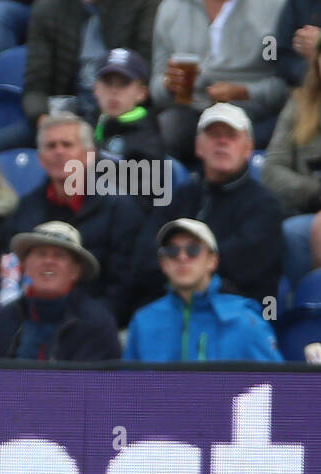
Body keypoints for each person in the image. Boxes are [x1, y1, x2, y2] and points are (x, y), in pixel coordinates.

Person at [14, 0, 163, 149]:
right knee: (2, 142)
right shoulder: (46, 6)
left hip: (124, 112)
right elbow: (35, 87)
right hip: (66, 115)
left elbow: (145, 69)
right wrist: (46, 123)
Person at [149, 0, 289, 161]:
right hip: (193, 111)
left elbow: (287, 85)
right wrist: (169, 85)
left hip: (254, 111)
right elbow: (155, 89)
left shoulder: (278, 2)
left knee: (280, 131)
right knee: (165, 128)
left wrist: (241, 91)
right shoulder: (171, 6)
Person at [133, 103, 285, 310]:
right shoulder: (180, 197)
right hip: (170, 309)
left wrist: (176, 265)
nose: (222, 141)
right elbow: (144, 256)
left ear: (248, 148)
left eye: (231, 136)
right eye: (214, 135)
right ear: (198, 146)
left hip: (236, 317)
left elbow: (245, 270)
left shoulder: (265, 206)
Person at [0, 115, 144, 322]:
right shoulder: (24, 210)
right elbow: (10, 275)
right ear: (40, 158)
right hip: (33, 321)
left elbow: (125, 287)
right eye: (51, 146)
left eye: (67, 144)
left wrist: (87, 324)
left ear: (89, 156)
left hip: (95, 327)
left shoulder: (121, 210)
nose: (59, 152)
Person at [125, 217, 282, 361]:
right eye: (172, 251)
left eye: (193, 250)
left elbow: (276, 385)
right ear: (163, 264)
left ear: (212, 261)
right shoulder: (143, 321)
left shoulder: (245, 321)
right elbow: (126, 389)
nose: (182, 257)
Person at [0, 220, 122, 360]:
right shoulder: (6, 317)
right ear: (24, 266)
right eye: (41, 254)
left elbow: (94, 381)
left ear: (75, 271)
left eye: (59, 255)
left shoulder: (97, 324)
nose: (49, 261)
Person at [262, 41, 321, 286]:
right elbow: (271, 170)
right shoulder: (299, 104)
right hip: (307, 210)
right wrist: (315, 193)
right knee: (294, 232)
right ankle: (305, 312)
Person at [91, 48, 164, 164]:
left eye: (124, 83)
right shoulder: (87, 124)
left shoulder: (147, 137)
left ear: (142, 93)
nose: (114, 91)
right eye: (107, 82)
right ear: (95, 88)